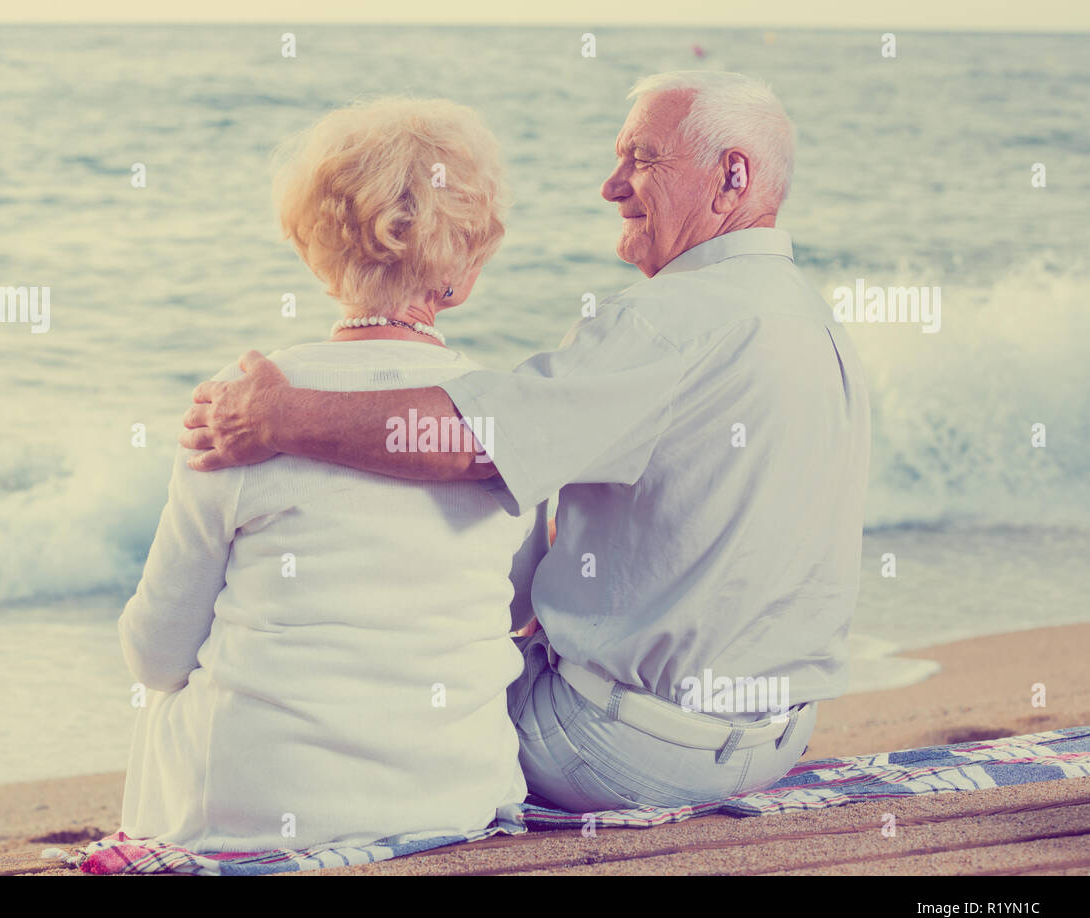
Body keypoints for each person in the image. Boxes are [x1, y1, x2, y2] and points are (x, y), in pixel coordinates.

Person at [181, 71, 872, 812]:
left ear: (731, 175)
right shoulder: (812, 318)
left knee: (376, 717)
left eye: (641, 159)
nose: (613, 186)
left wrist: (277, 417)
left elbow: (471, 441)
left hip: (620, 750)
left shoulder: (669, 321)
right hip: (772, 739)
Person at [119, 97, 542, 852]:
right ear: (469, 263)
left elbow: (155, 651)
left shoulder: (242, 399)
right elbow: (517, 602)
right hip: (454, 796)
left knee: (164, 698)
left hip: (252, 808)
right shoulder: (499, 416)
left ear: (314, 246)